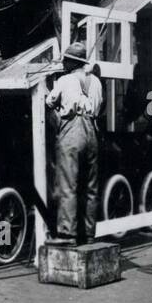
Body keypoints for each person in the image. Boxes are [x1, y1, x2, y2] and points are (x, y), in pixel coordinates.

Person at [46, 40, 104, 244]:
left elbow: (50, 101)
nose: (64, 64)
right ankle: (89, 235)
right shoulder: (96, 82)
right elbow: (100, 106)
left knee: (68, 184)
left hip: (72, 131)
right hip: (92, 131)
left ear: (72, 62)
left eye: (66, 61)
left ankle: (67, 234)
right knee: (90, 187)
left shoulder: (64, 80)